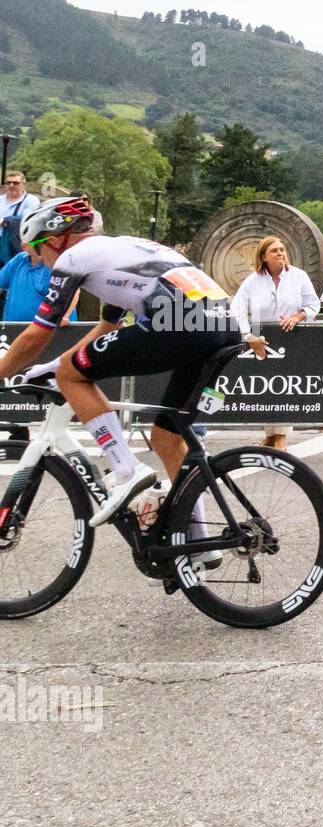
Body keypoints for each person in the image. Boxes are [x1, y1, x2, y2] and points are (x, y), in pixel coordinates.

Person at [0, 196, 267, 560]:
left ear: (54, 238)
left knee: (74, 377)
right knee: (167, 439)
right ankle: (199, 543)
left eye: (36, 247)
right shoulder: (120, 251)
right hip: (221, 328)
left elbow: (35, 336)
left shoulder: (73, 258)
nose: (39, 257)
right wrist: (54, 367)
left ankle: (127, 472)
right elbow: (108, 326)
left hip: (179, 326)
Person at [230, 236, 320, 450]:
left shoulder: (299, 276)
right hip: (261, 339)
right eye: (274, 251)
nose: (280, 253)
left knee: (285, 385)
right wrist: (248, 336)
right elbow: (237, 307)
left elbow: (314, 304)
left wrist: (298, 317)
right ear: (263, 256)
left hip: (291, 338)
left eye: (282, 249)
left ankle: (281, 435)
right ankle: (269, 434)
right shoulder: (253, 280)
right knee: (265, 387)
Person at [0, 243, 77, 442]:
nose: (24, 244)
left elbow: (74, 289)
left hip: (48, 333)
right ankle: (19, 428)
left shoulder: (53, 263)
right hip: (17, 333)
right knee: (16, 378)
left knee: (50, 378)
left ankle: (55, 426)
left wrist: (65, 315)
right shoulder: (19, 261)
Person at [1, 171, 40, 267]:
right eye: (8, 183)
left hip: (15, 244)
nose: (11, 185)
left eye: (15, 183)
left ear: (23, 185)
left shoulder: (31, 200)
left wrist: (5, 222)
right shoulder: (0, 199)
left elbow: (27, 221)